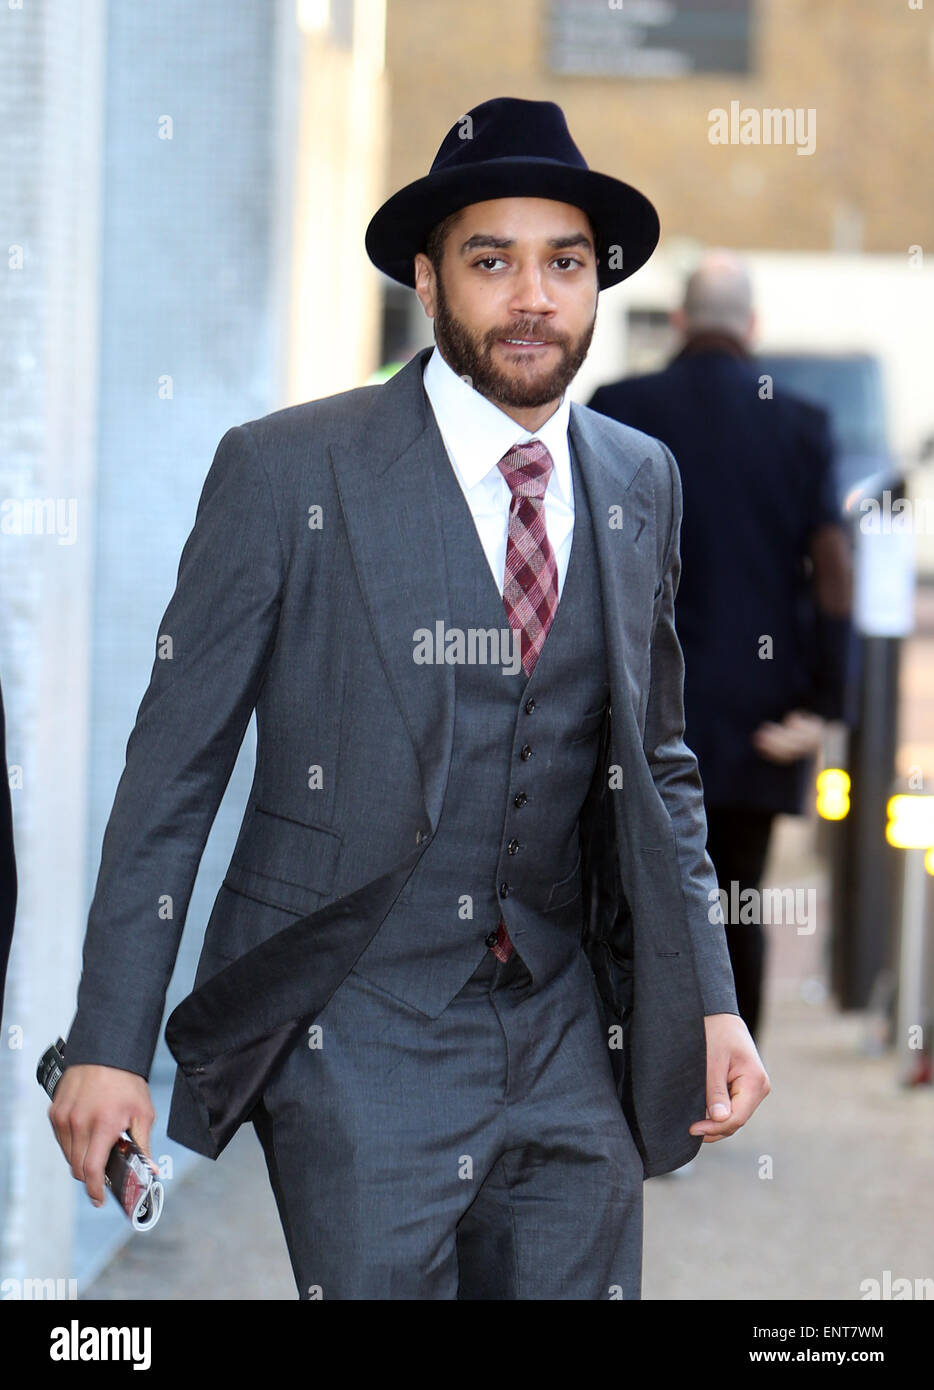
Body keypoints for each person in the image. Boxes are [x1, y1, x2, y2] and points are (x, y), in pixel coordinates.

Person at [51, 99, 769, 1300]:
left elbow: (660, 761)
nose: (531, 296)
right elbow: (174, 771)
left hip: (562, 1024)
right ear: (429, 283)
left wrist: (709, 1000)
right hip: (358, 1030)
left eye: (565, 263)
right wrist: (112, 1040)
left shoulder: (640, 481)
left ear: (600, 288)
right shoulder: (287, 471)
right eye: (492, 261)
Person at [589, 250, 853, 1041]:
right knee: (735, 896)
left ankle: (630, 1080)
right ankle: (721, 1092)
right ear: (752, 326)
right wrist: (824, 704)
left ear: (678, 321)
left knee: (624, 895)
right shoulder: (800, 424)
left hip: (629, 705)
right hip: (756, 716)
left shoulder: (617, 406)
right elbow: (834, 572)